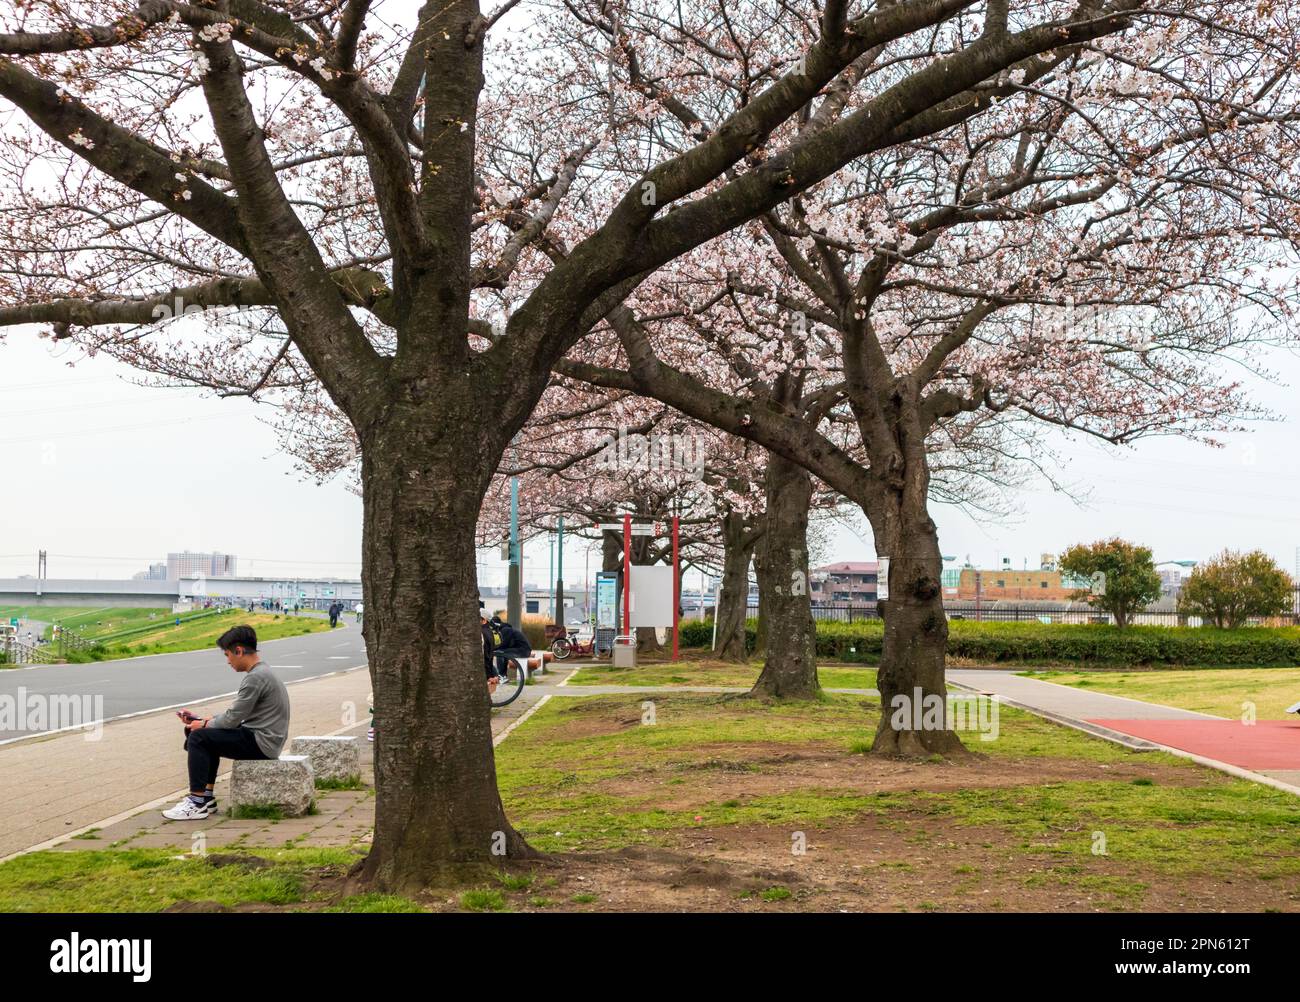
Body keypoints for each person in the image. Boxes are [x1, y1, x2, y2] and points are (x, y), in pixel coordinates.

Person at [162, 625, 290, 821]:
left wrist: (203, 726)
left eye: (227, 654)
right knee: (198, 732)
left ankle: (196, 804)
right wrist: (201, 720)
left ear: (239, 651)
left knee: (198, 737)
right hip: (264, 738)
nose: (228, 661)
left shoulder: (255, 678)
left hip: (262, 743)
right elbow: (235, 716)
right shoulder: (262, 672)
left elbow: (231, 720)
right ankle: (206, 797)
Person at [490, 614, 532, 679]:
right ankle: (503, 675)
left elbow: (503, 644)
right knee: (503, 652)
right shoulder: (505, 629)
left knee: (500, 653)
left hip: (523, 651)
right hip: (523, 650)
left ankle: (501, 675)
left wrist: (492, 649)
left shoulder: (505, 630)